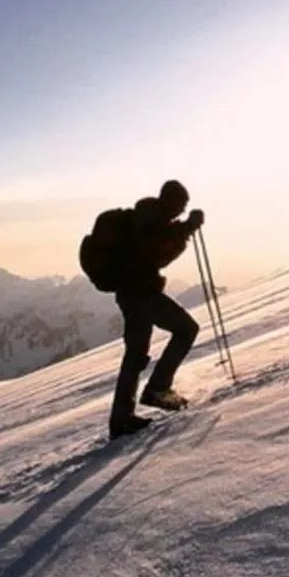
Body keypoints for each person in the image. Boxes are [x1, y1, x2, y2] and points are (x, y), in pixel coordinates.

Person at [108, 179, 204, 439]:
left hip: (130, 294)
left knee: (135, 355)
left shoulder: (147, 217)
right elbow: (154, 249)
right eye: (180, 207)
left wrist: (183, 230)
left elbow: (159, 254)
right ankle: (158, 388)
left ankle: (121, 419)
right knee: (187, 329)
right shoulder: (151, 218)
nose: (180, 212)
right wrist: (186, 229)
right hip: (141, 293)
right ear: (169, 200)